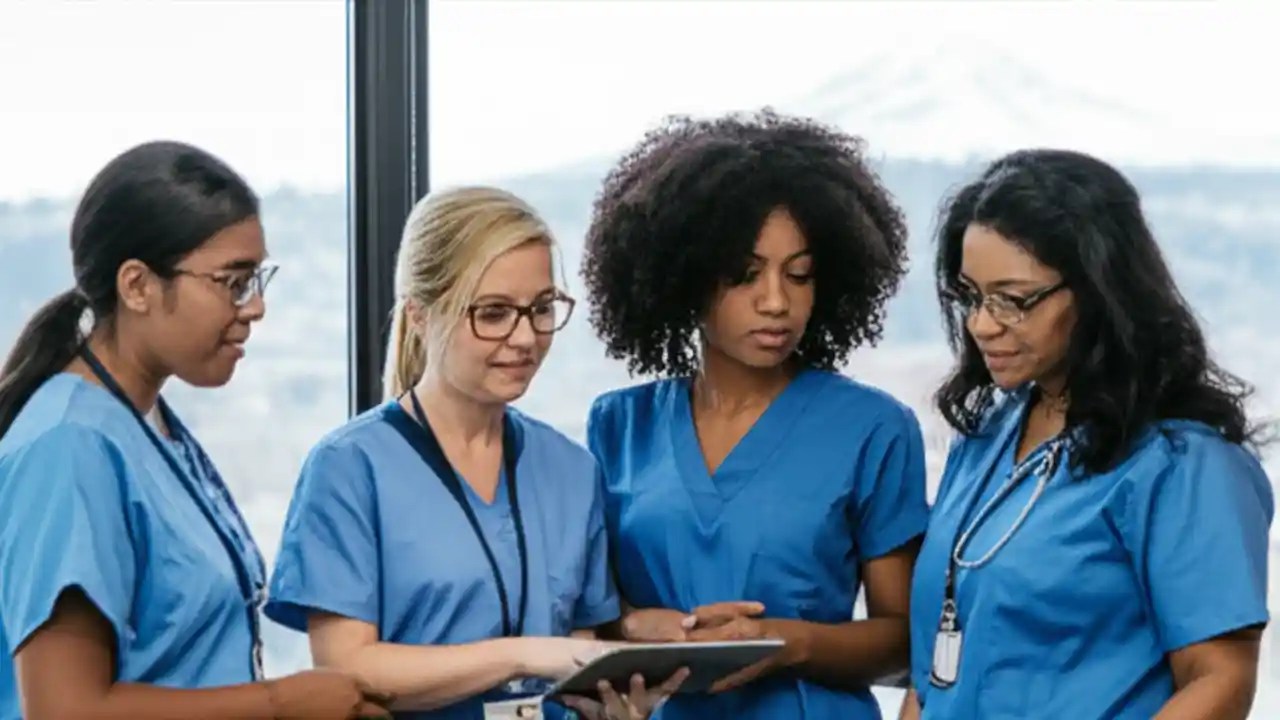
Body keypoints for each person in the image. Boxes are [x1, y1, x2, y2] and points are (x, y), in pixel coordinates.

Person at [264, 186, 686, 720]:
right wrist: (521, 655)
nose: (525, 337)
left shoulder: (571, 470)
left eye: (540, 309)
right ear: (420, 315)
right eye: (493, 314)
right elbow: (346, 671)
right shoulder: (350, 468)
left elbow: (578, 655)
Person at [0, 141, 390, 719]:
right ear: (137, 286)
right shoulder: (70, 445)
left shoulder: (148, 424)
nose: (255, 307)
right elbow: (65, 710)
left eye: (257, 280)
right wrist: (281, 703)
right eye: (232, 283)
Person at [580, 108, 928, 719]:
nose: (776, 302)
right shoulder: (619, 426)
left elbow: (905, 642)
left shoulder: (873, 429)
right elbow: (590, 622)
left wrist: (792, 645)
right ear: (683, 277)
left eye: (800, 275)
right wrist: (638, 628)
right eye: (745, 276)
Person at [902, 149, 1274, 720]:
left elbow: (1218, 683)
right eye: (972, 296)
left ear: (1100, 292)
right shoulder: (988, 436)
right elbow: (935, 675)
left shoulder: (1182, 464)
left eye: (1013, 299)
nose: (981, 323)